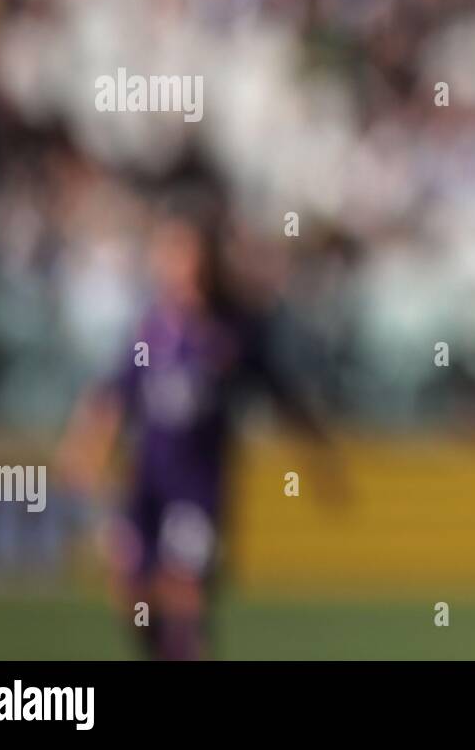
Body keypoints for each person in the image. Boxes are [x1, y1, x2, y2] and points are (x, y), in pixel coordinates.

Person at [57, 205, 341, 659]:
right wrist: (84, 450)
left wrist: (321, 464)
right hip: (147, 485)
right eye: (169, 253)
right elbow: (112, 395)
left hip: (199, 490)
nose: (176, 265)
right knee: (134, 597)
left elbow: (284, 398)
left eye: (185, 253)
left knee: (184, 592)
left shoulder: (235, 332)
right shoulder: (152, 332)